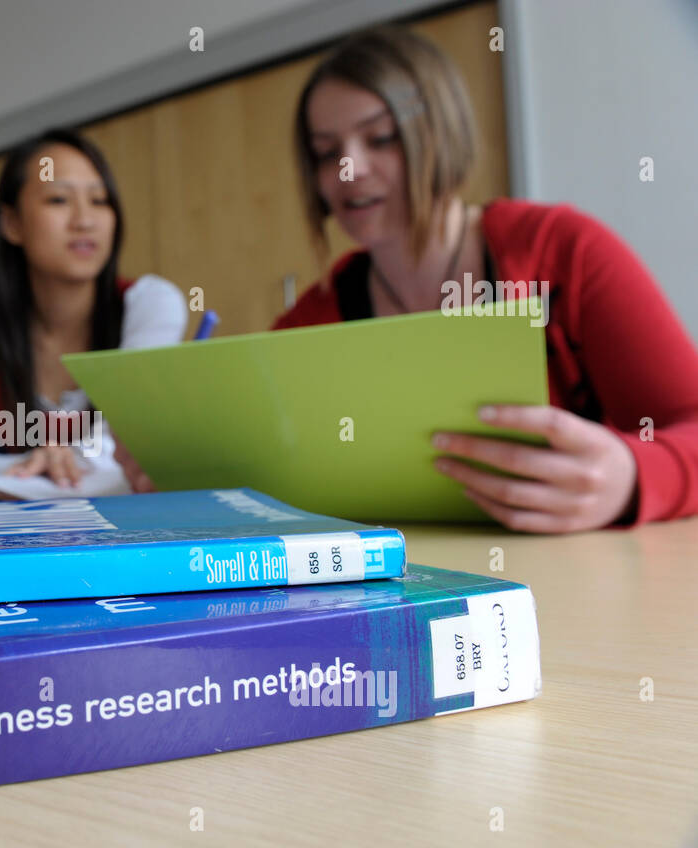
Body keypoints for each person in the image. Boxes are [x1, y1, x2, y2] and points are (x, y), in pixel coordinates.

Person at [274, 26, 698, 532]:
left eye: (381, 138)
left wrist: (633, 476)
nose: (348, 170)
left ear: (441, 133)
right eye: (325, 152)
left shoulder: (565, 252)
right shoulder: (318, 317)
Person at [0, 128, 187, 487]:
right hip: (21, 525)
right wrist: (23, 464)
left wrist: (44, 466)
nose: (85, 220)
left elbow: (124, 450)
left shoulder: (149, 303)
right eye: (58, 200)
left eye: (100, 200)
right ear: (12, 223)